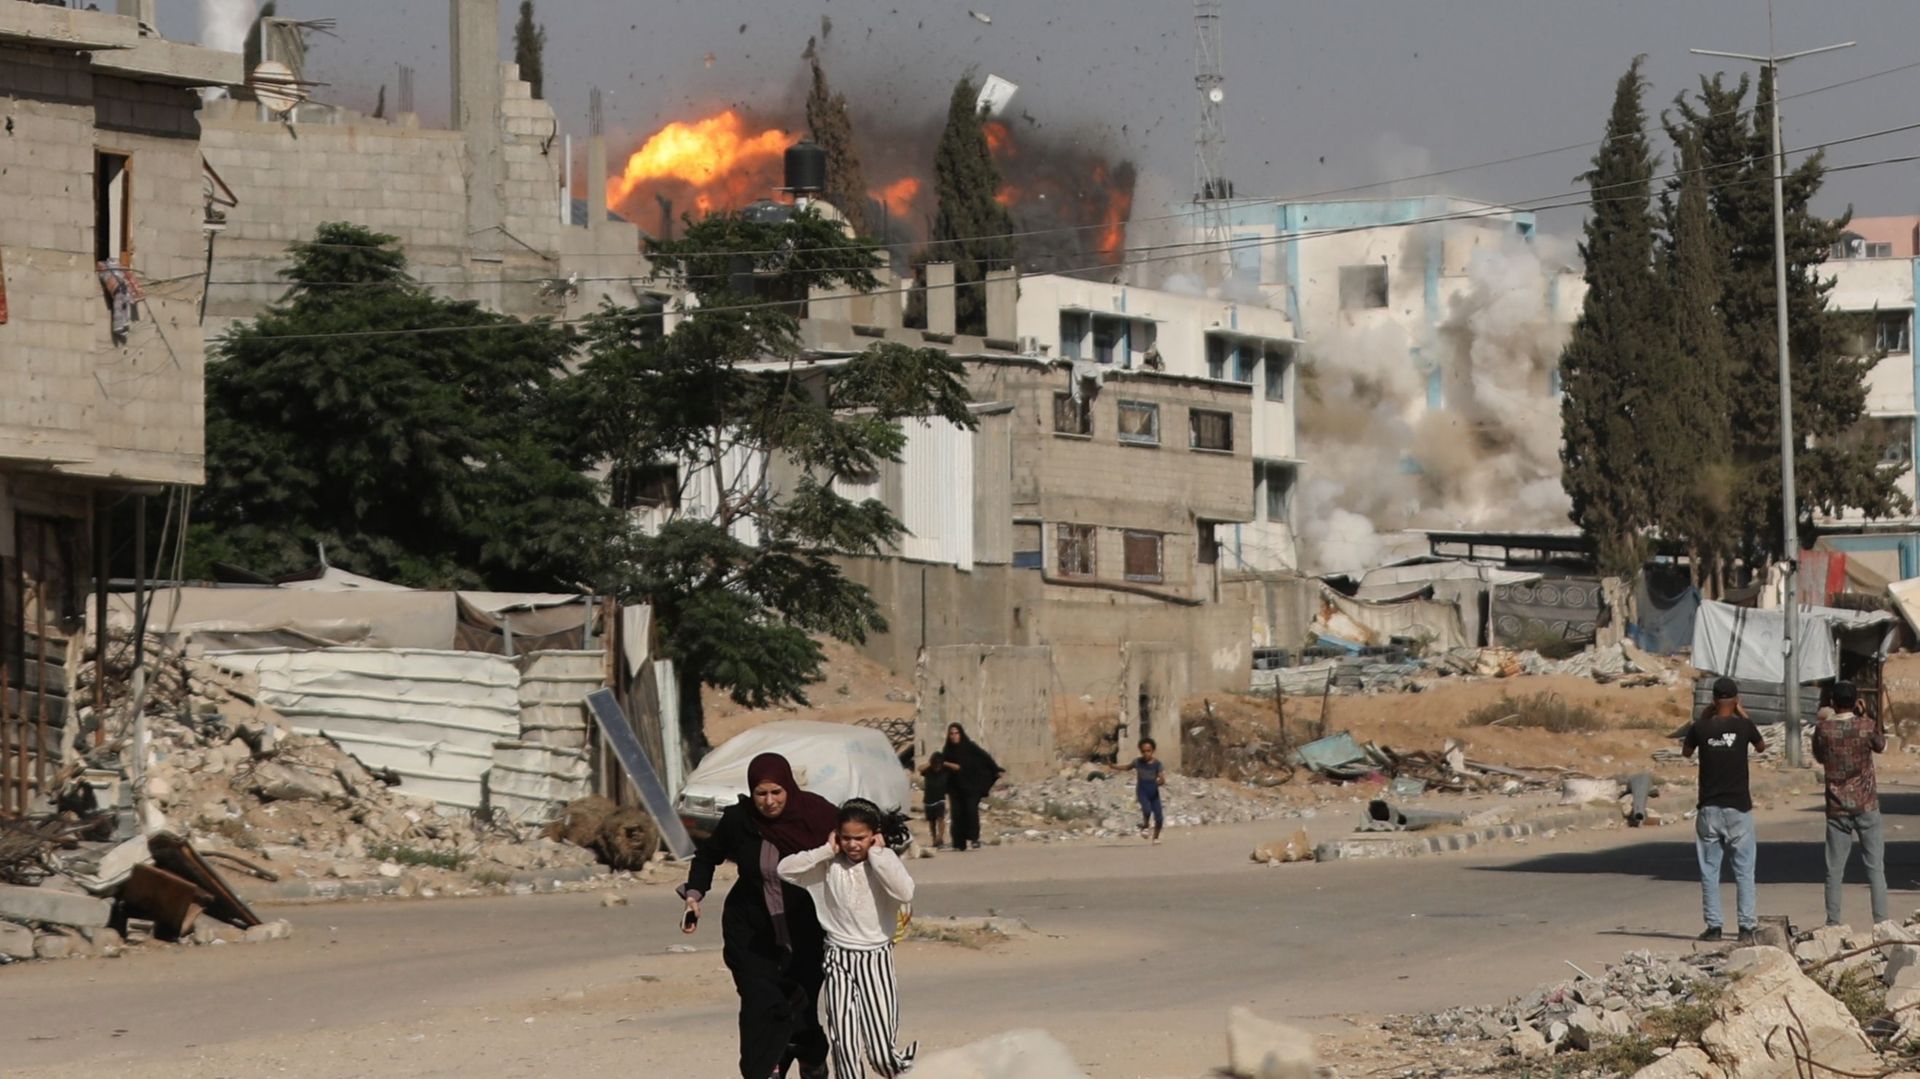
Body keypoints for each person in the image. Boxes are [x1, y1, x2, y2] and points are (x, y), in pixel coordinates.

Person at [679, 753, 839, 1079]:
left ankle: (811, 1056)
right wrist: (694, 895)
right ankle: (765, 1071)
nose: (768, 801)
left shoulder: (817, 814)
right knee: (759, 1004)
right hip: (750, 932)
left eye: (776, 792)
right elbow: (707, 856)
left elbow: (857, 836)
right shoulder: (740, 819)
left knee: (800, 1005)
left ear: (789, 788)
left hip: (806, 929)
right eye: (760, 793)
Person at [778, 798, 918, 1079]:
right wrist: (825, 850)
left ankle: (902, 1069)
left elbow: (905, 892)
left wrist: (878, 853)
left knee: (881, 1052)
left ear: (873, 835)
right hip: (837, 956)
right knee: (843, 1041)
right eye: (846, 838)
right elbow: (784, 870)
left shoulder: (884, 861)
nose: (853, 845)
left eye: (860, 838)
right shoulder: (828, 865)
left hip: (874, 958)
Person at [1683, 677, 1766, 945]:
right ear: (1737, 699)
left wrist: (1705, 717)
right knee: (1744, 871)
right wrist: (1743, 715)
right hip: (1738, 808)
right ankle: (1746, 926)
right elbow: (1761, 746)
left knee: (1709, 870)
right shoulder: (1744, 726)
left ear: (1713, 700)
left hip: (1709, 809)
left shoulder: (1700, 727)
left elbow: (1686, 752)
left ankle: (1714, 926)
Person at [1813, 680, 1888, 927]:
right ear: (1856, 702)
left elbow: (1819, 756)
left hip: (1837, 808)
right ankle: (1881, 923)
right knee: (1875, 868)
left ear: (1832, 702)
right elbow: (1882, 746)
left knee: (1834, 870)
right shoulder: (1866, 726)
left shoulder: (1823, 729)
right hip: (1866, 805)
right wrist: (1864, 715)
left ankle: (1833, 922)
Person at [939, 723, 1003, 851]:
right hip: (955, 788)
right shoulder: (947, 751)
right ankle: (959, 842)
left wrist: (995, 769)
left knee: (971, 812)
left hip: (971, 786)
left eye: (956, 733)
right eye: (951, 734)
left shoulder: (970, 747)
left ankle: (974, 838)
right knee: (957, 814)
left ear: (961, 734)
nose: (954, 736)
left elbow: (985, 757)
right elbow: (941, 766)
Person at [1107, 737, 1167, 843]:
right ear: (1140, 751)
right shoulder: (1138, 762)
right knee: (1147, 810)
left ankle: (1156, 837)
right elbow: (1127, 767)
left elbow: (1161, 778)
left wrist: (1160, 781)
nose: (1146, 753)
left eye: (1148, 751)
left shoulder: (1157, 764)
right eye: (1143, 751)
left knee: (1159, 818)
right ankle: (1146, 826)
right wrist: (1113, 766)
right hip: (1142, 791)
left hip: (1154, 793)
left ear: (1153, 750)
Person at [919, 751, 950, 851]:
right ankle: (934, 839)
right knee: (931, 822)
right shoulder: (928, 770)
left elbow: (957, 767)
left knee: (941, 818)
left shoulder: (945, 770)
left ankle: (940, 838)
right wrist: (930, 763)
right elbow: (920, 769)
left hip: (940, 799)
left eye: (939, 764)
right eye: (936, 764)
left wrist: (945, 762)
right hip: (928, 800)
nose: (937, 767)